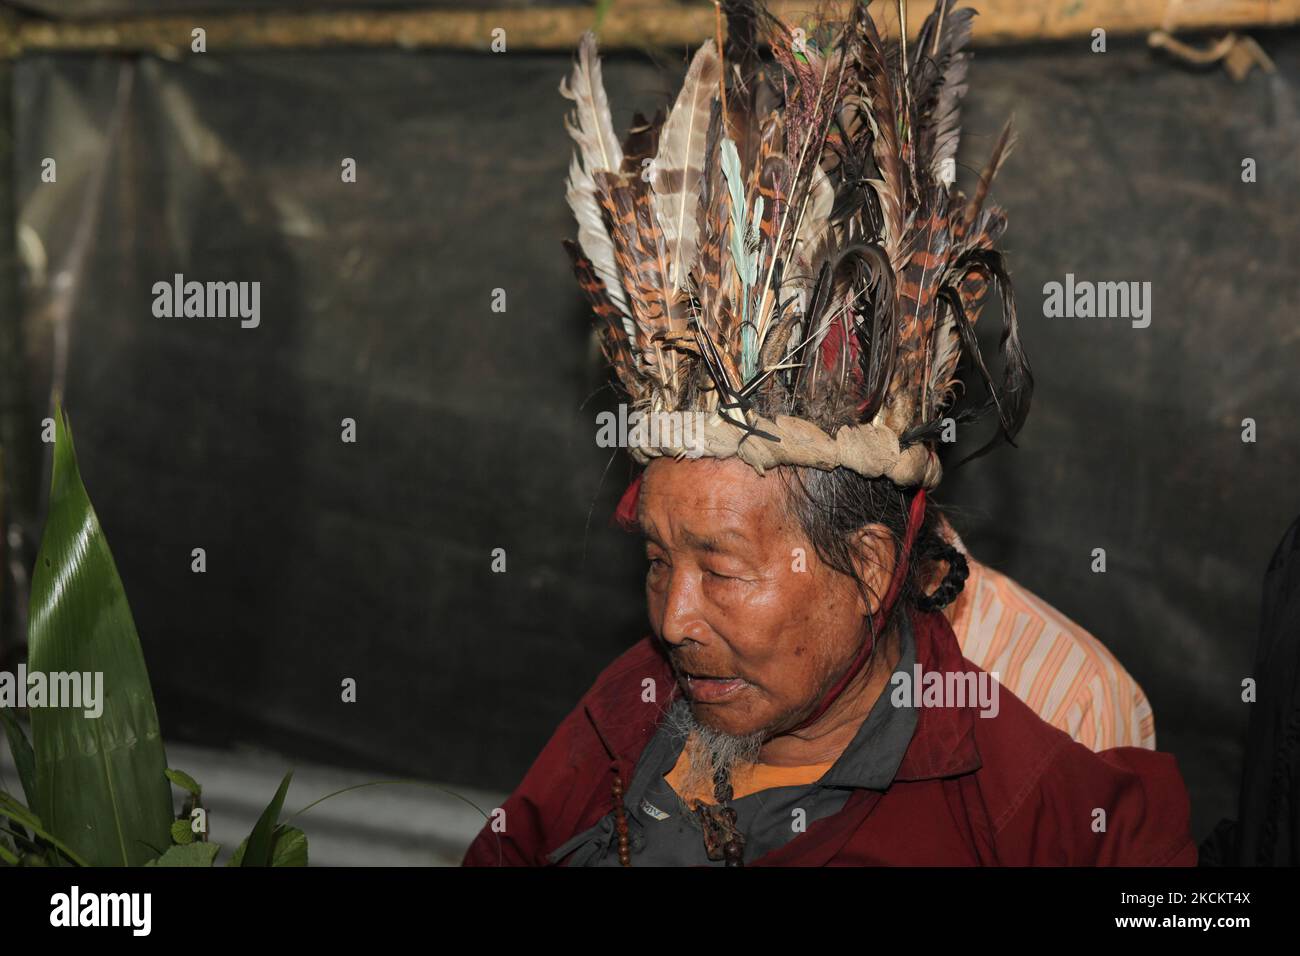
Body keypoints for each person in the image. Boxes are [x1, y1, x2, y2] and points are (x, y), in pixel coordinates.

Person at [463, 0, 1194, 866]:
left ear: (871, 569)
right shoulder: (638, 699)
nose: (674, 618)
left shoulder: (1028, 804)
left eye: (721, 568)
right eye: (657, 560)